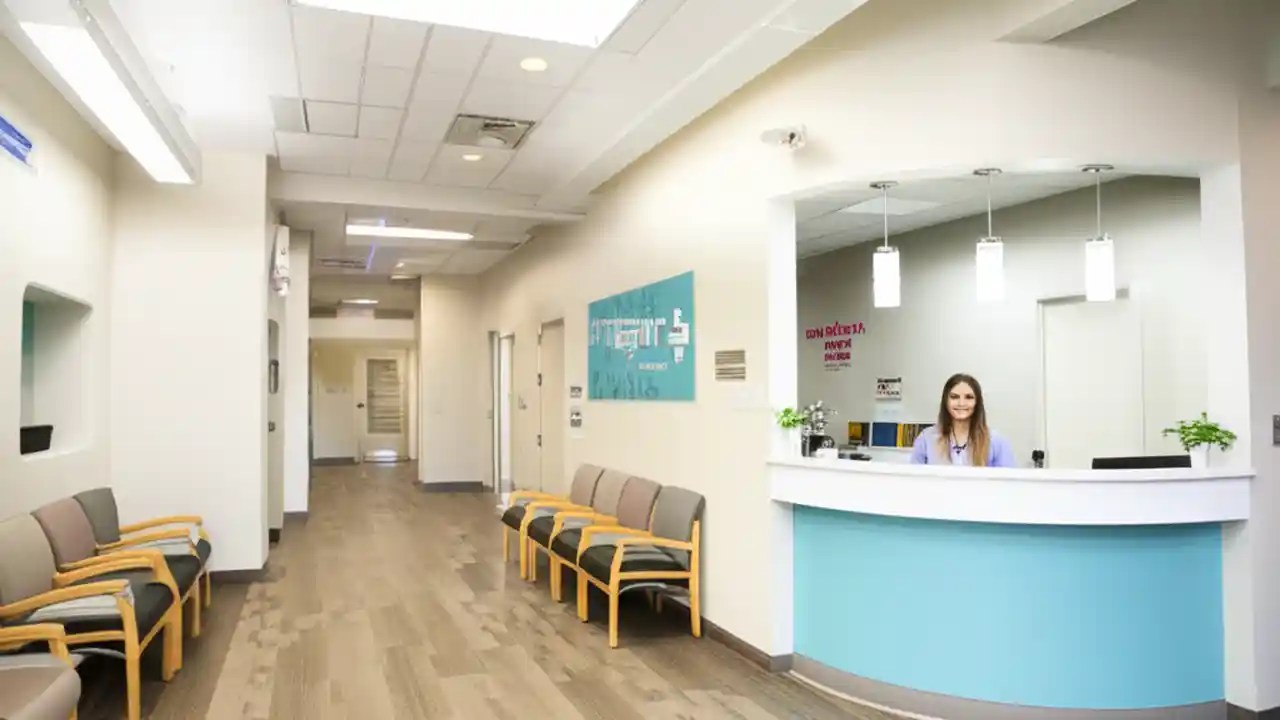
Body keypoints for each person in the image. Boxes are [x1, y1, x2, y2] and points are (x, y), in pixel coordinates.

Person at [910, 373, 1015, 467]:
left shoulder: (996, 441)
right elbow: (913, 481)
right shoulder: (926, 439)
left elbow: (1008, 483)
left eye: (969, 397)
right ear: (945, 401)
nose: (961, 403)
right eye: (954, 397)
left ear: (977, 403)